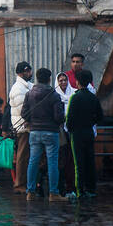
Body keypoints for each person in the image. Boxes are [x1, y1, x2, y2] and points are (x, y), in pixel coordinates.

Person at [22, 68, 67, 202]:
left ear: (37, 78)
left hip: (34, 132)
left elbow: (24, 114)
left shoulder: (29, 94)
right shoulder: (54, 95)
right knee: (52, 162)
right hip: (51, 133)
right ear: (49, 79)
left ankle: (30, 192)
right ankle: (53, 193)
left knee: (33, 161)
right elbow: (59, 117)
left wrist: (32, 121)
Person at [65, 69, 103, 198]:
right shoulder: (93, 98)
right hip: (89, 132)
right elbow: (100, 116)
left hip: (77, 133)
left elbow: (69, 118)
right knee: (90, 161)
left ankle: (79, 190)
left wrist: (71, 129)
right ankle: (91, 189)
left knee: (78, 163)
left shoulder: (74, 97)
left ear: (77, 81)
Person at [7, 61, 34, 190]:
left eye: (29, 70)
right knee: (22, 156)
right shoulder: (18, 88)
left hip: (27, 127)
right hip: (23, 128)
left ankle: (25, 182)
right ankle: (19, 184)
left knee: (27, 156)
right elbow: (23, 110)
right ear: (20, 73)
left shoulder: (27, 86)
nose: (29, 73)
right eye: (27, 71)